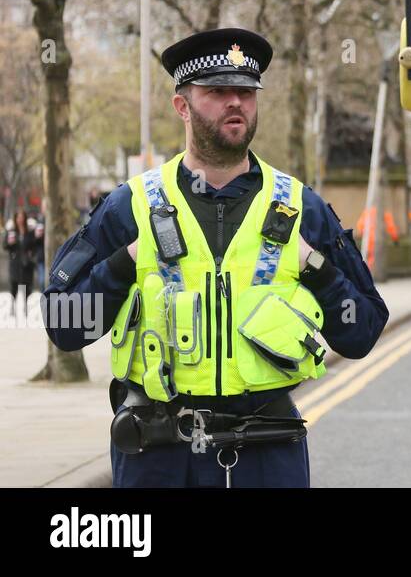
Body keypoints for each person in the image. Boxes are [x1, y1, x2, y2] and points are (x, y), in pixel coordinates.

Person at [42, 28, 389, 488]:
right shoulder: (131, 205)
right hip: (158, 453)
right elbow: (64, 326)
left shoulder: (300, 206)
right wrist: (121, 264)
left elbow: (362, 332)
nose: (236, 103)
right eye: (217, 92)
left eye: (245, 92)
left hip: (267, 450)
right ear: (181, 106)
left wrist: (317, 270)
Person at [5, 208, 39, 299]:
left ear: (25, 219)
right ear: (15, 219)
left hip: (26, 264)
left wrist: (31, 254)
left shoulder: (30, 232)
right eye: (18, 218)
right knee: (13, 289)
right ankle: (13, 309)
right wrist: (9, 243)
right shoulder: (11, 231)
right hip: (15, 263)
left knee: (27, 290)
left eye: (22, 217)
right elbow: (5, 246)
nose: (20, 220)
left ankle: (26, 309)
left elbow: (34, 245)